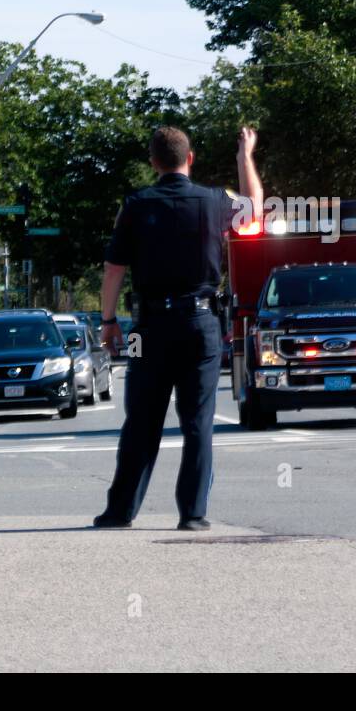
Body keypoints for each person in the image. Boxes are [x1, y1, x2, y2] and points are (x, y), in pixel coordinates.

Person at [94, 125, 262, 531]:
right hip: (201, 323)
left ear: (153, 163)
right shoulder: (215, 200)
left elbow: (114, 269)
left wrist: (109, 322)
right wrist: (245, 158)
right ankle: (192, 513)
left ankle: (119, 511)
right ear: (191, 158)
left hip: (142, 328)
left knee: (139, 419)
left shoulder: (134, 204)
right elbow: (255, 207)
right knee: (197, 421)